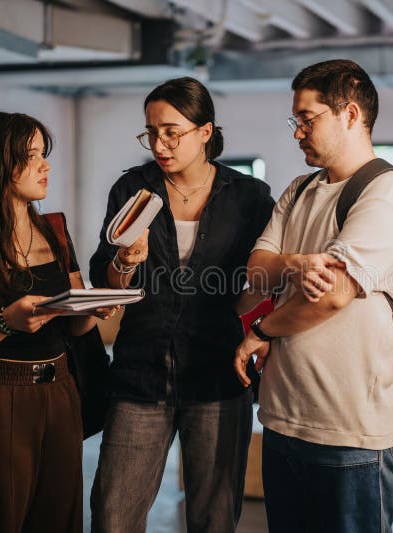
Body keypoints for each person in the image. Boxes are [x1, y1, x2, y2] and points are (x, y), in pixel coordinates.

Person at [233, 59, 393, 532]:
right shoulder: (298, 191)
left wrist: (261, 329)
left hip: (350, 433)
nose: (298, 132)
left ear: (351, 115)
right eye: (295, 120)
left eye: (307, 119)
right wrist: (295, 263)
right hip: (281, 421)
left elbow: (333, 295)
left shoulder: (386, 193)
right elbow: (255, 273)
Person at [89, 76, 275, 533]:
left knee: (214, 517)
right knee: (113, 517)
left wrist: (268, 331)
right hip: (140, 377)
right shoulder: (134, 189)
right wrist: (126, 261)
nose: (160, 143)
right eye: (151, 131)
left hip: (217, 376)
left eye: (172, 131)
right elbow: (104, 276)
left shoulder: (248, 196)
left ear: (205, 132)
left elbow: (271, 275)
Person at [0, 111, 120, 533]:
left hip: (61, 393)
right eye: (30, 156)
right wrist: (4, 322)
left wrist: (89, 308)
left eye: (43, 154)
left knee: (61, 520)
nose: (45, 165)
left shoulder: (54, 230)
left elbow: (76, 327)